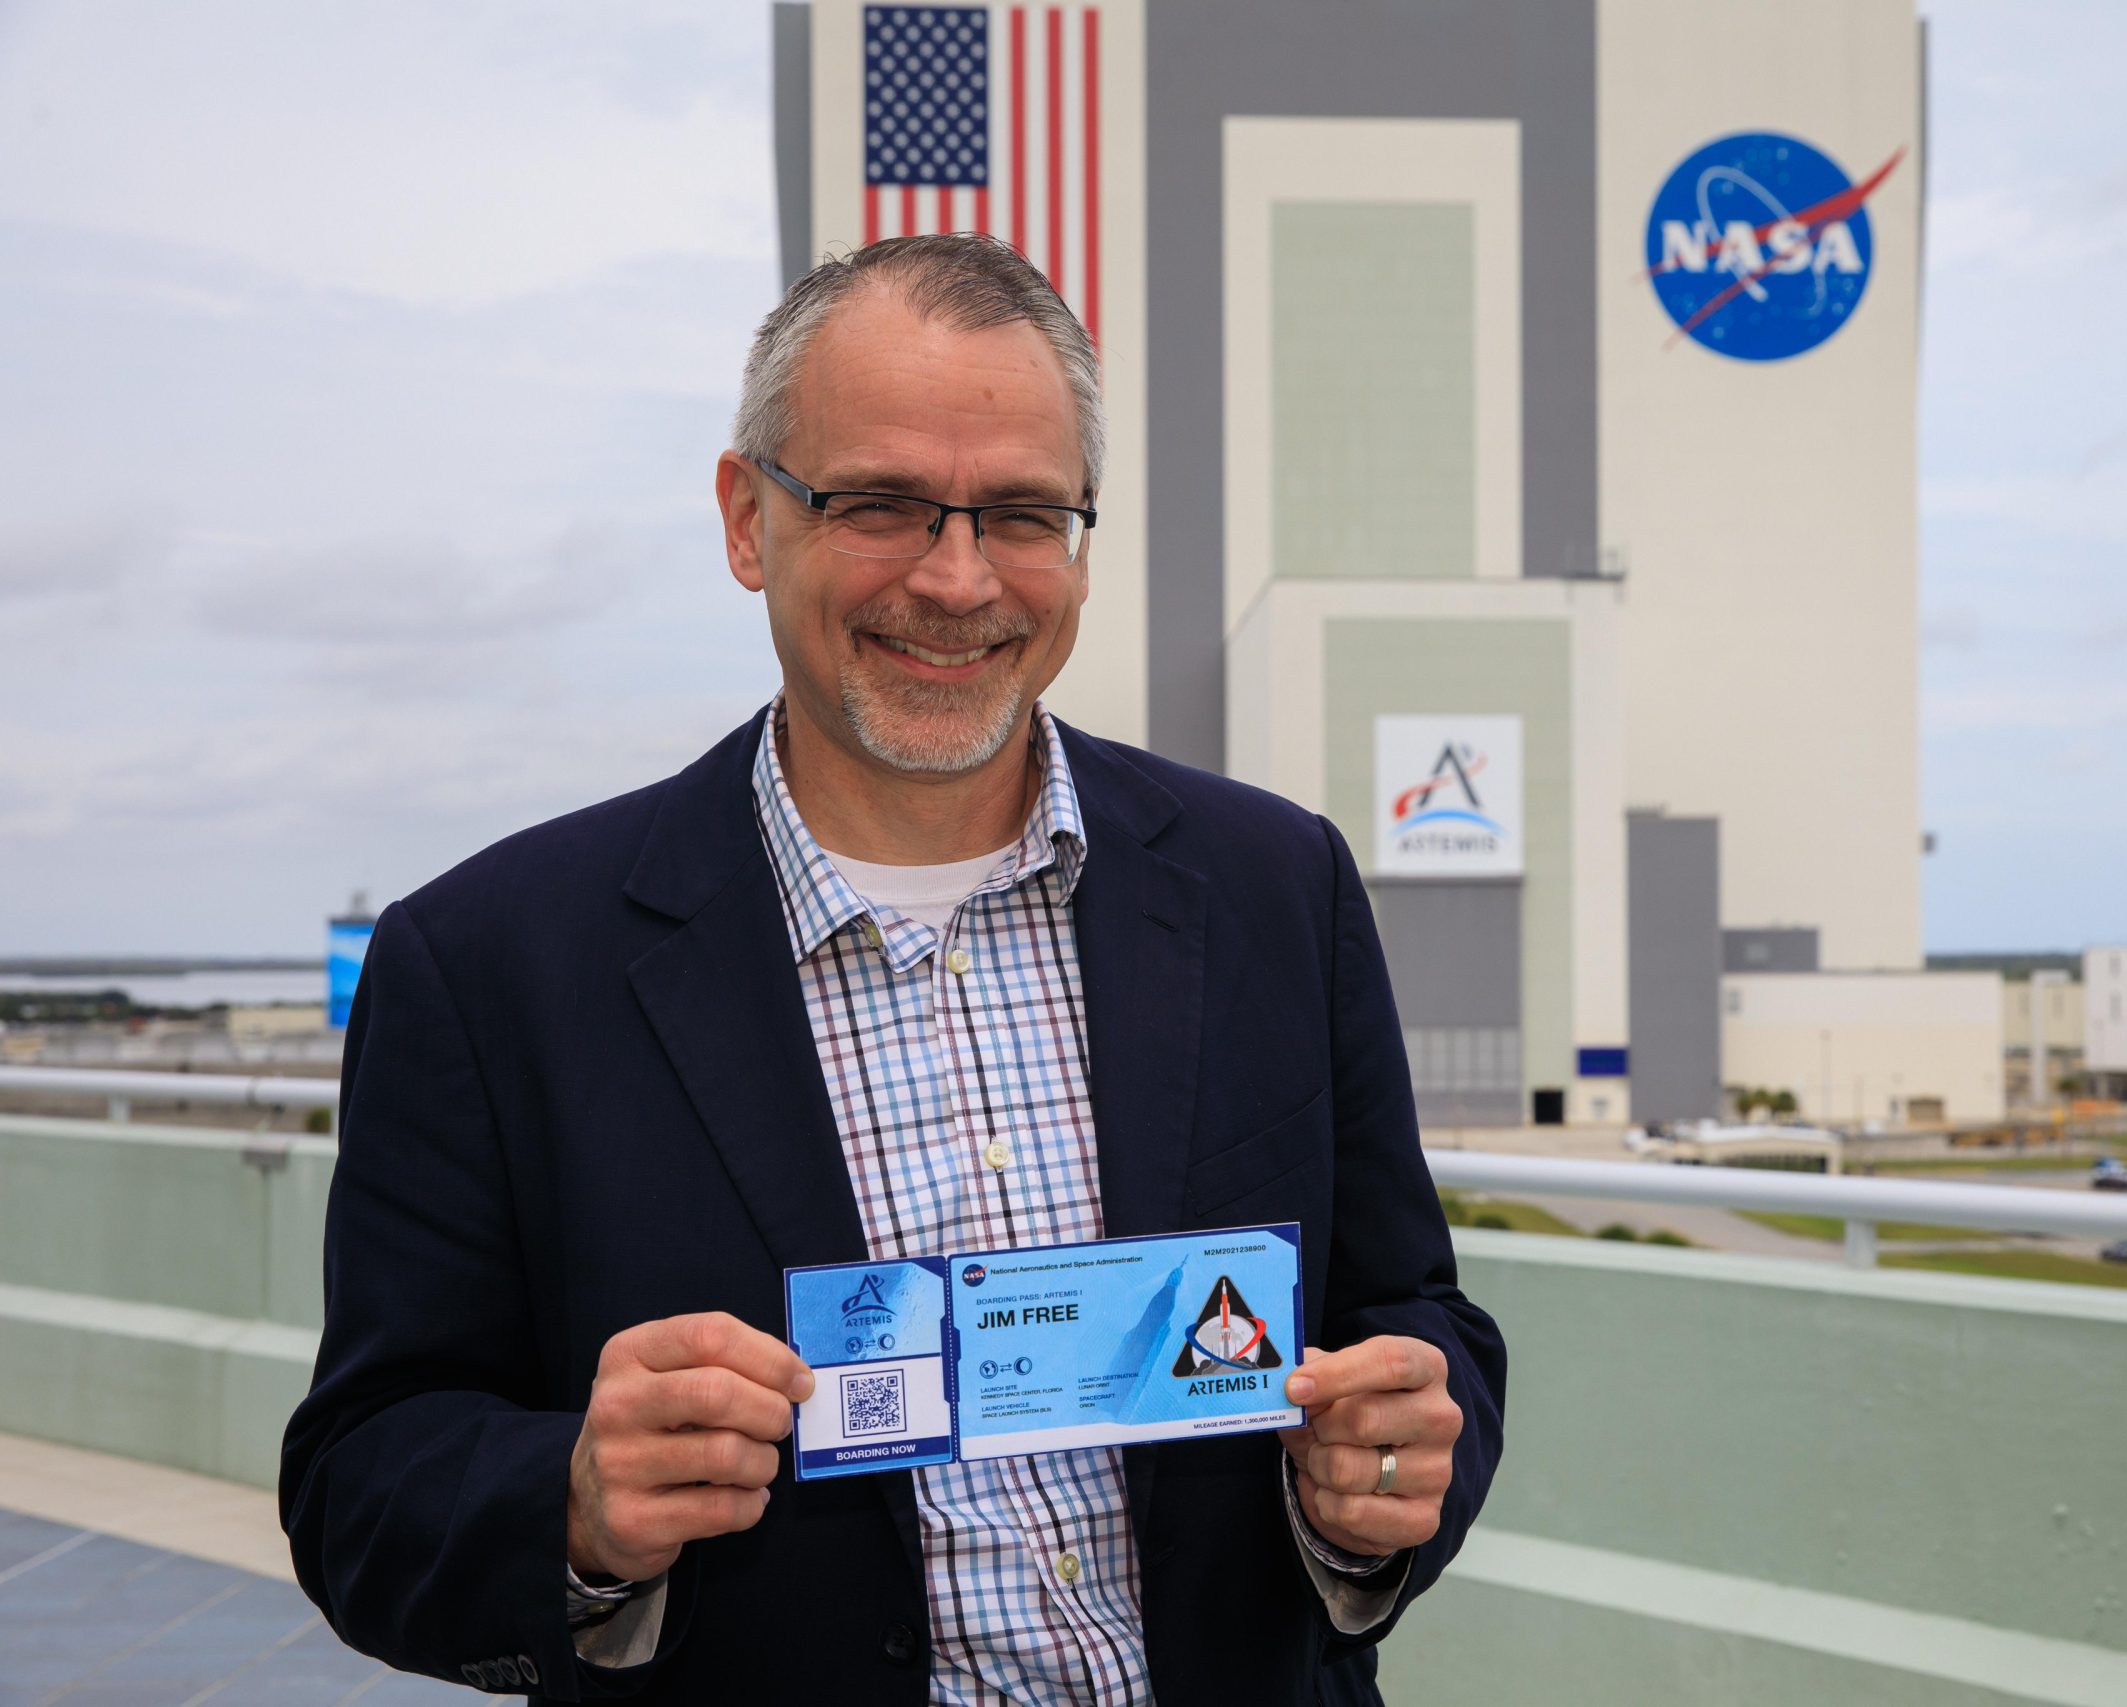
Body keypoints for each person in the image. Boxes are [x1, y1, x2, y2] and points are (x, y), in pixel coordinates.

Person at [279, 232, 1506, 1705]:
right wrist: (580, 1504)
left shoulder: (1274, 887)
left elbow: (1413, 1317)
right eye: (879, 505)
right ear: (748, 520)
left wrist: (1385, 1475)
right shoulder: (490, 965)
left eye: (1023, 515)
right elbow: (361, 1480)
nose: (957, 578)